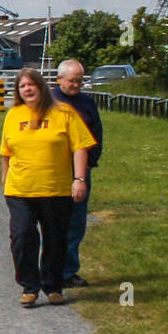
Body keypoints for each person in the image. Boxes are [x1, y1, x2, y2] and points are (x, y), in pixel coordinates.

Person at [0, 67, 95, 307]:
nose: (27, 89)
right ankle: (29, 287)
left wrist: (79, 179)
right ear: (18, 91)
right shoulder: (13, 115)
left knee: (55, 239)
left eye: (31, 84)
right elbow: (6, 153)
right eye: (22, 86)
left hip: (56, 190)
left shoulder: (64, 112)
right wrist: (5, 180)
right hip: (20, 190)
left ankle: (52, 286)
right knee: (22, 237)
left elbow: (80, 147)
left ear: (41, 86)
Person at [51, 58, 103, 288]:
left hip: (80, 172)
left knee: (76, 222)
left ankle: (68, 271)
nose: (77, 85)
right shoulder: (48, 102)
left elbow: (96, 134)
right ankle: (50, 270)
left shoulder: (87, 102)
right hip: (54, 172)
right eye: (72, 81)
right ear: (59, 79)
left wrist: (90, 163)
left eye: (80, 81)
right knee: (52, 221)